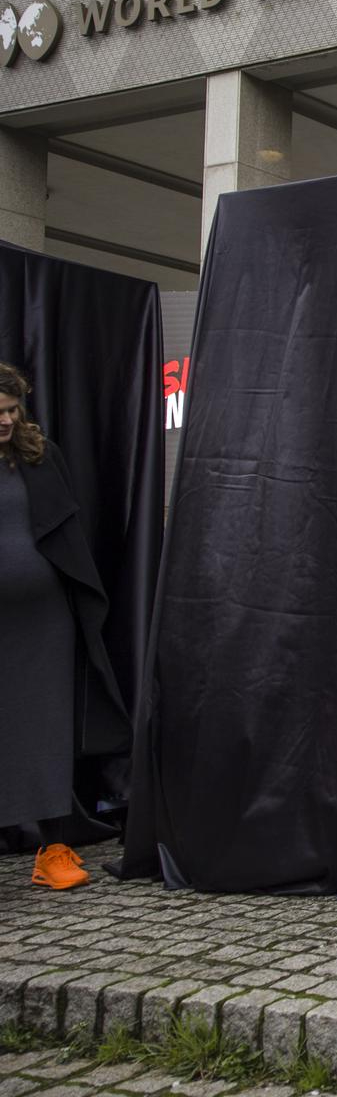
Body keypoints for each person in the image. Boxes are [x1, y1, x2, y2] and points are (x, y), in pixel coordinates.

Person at [0, 362, 126, 887]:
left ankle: (54, 850)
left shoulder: (41, 456)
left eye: (10, 410)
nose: (4, 421)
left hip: (45, 620)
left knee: (45, 726)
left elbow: (68, 531)